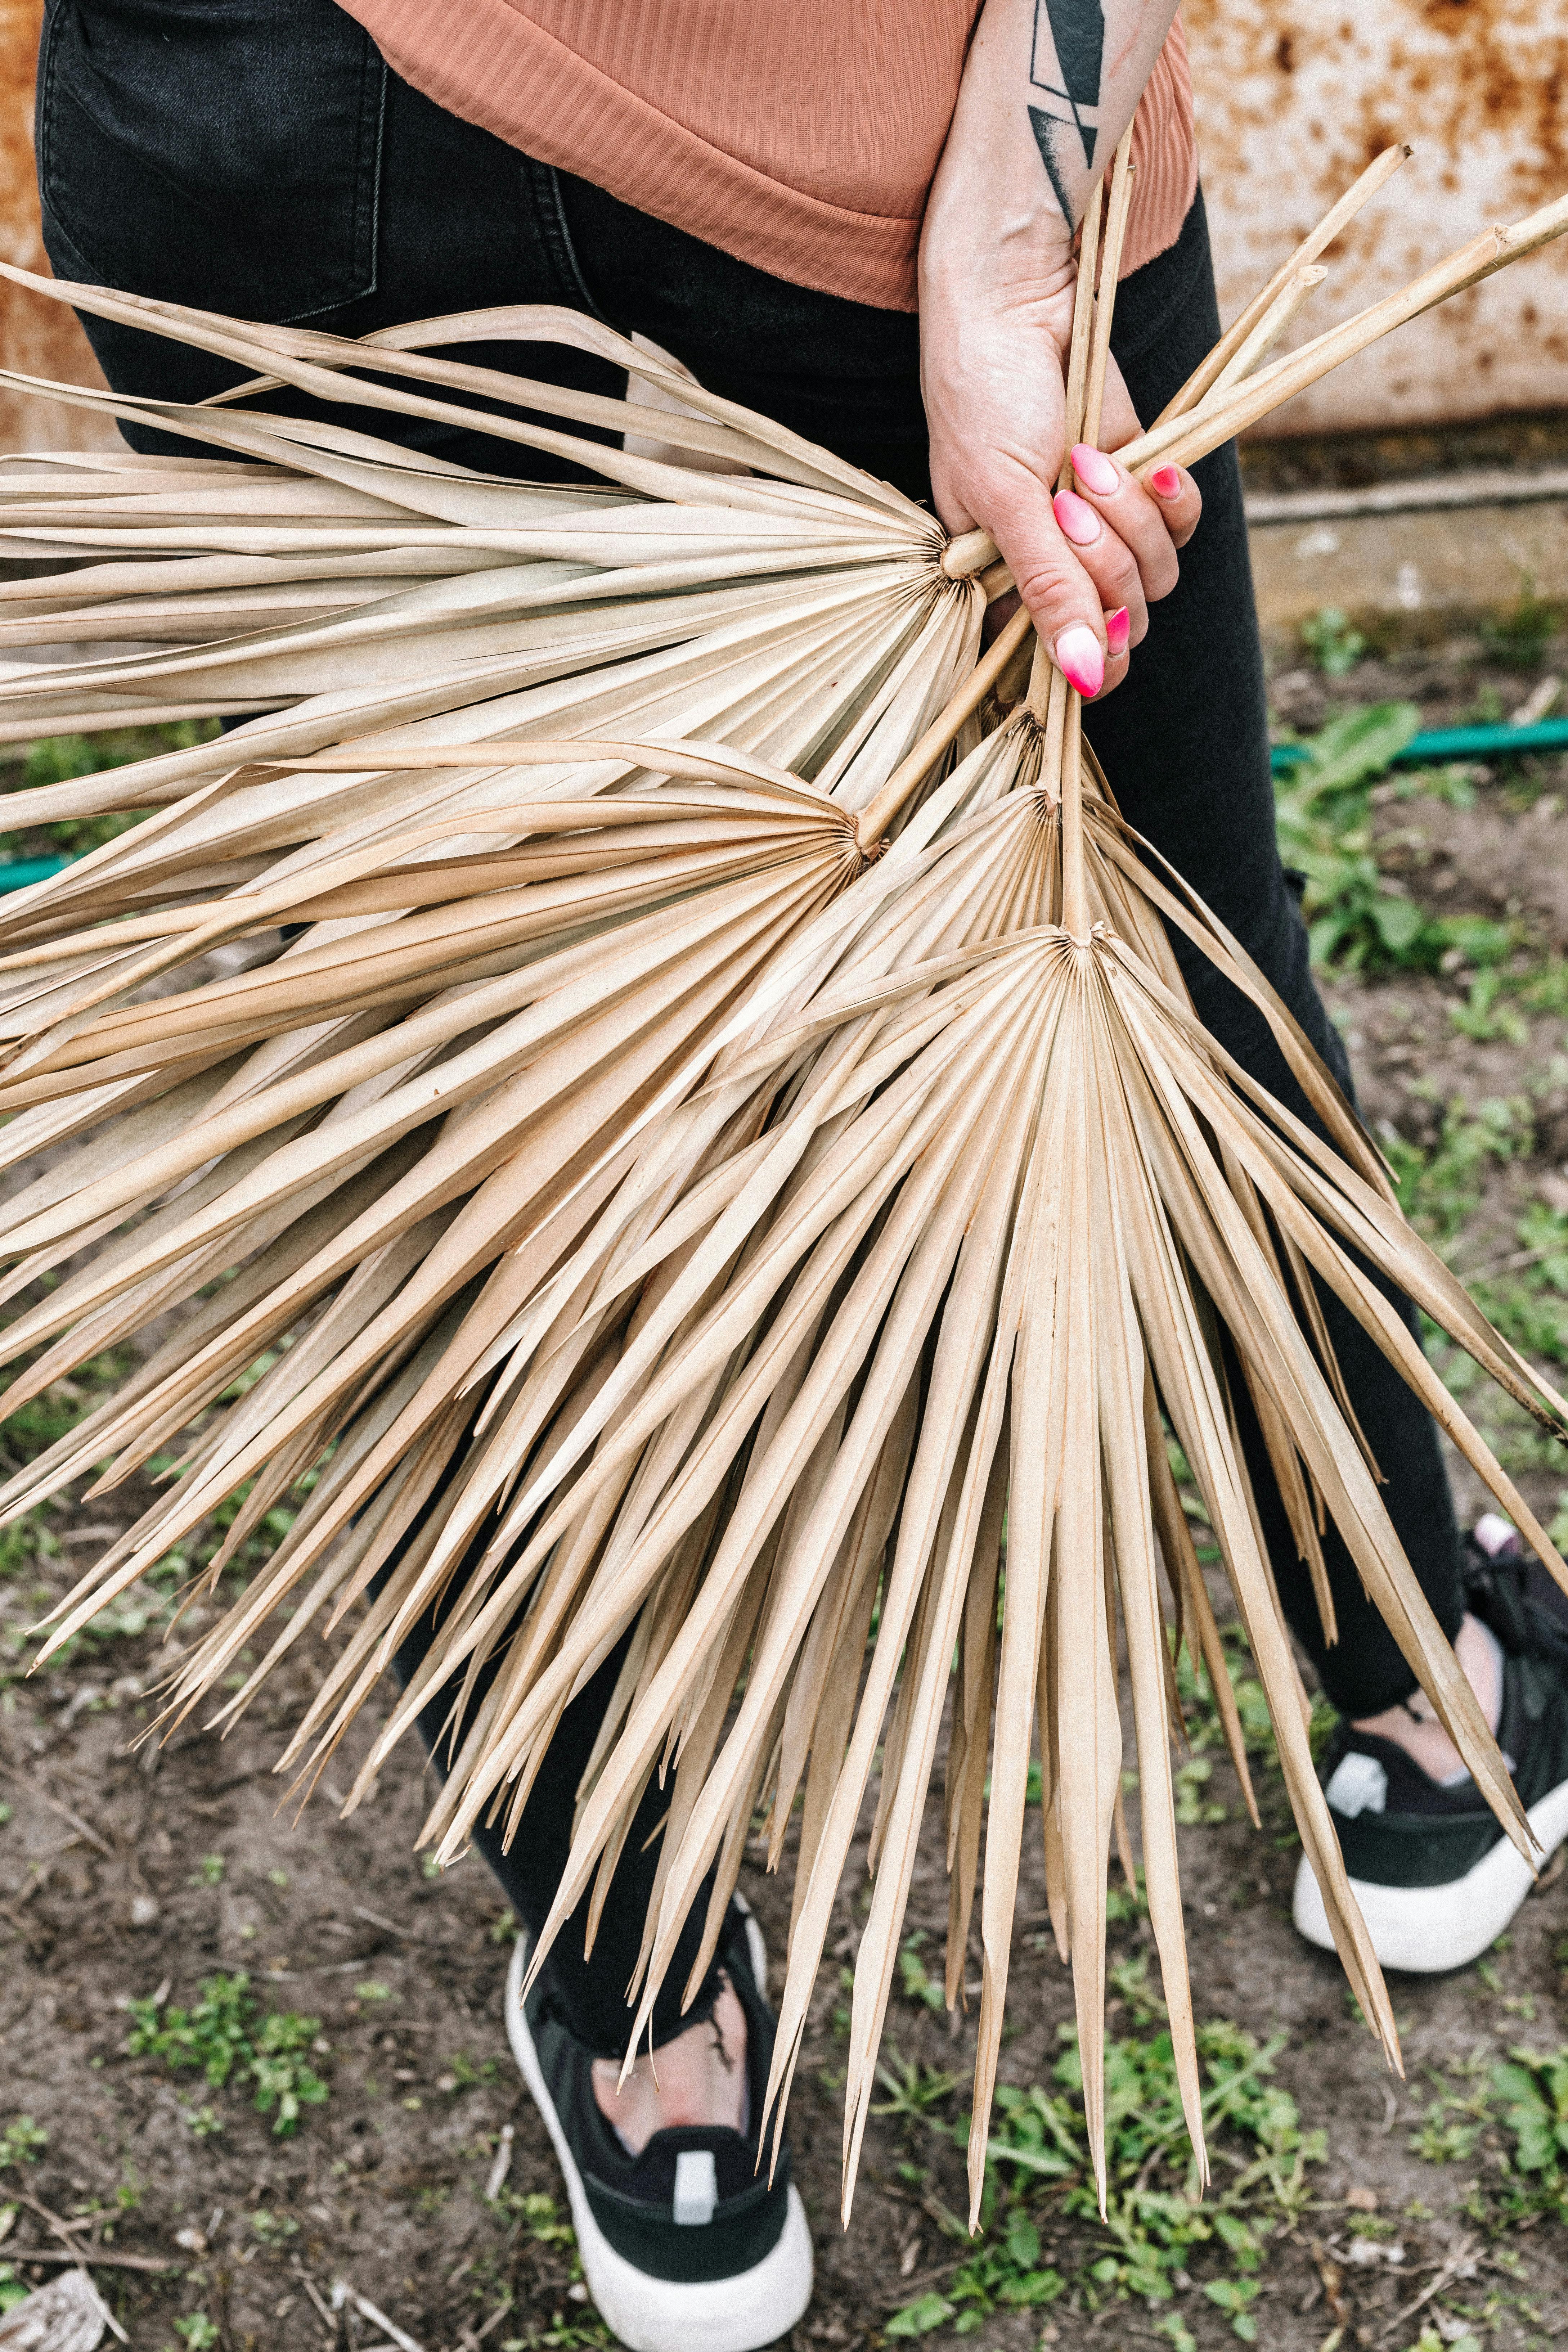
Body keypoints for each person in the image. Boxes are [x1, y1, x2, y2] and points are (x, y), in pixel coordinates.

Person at [32, 3, 1568, 2346]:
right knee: (1152, 909)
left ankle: (653, 2017)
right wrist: (1018, 221)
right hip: (882, 97)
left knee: (450, 1069)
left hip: (278, 101)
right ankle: (1420, 1688)